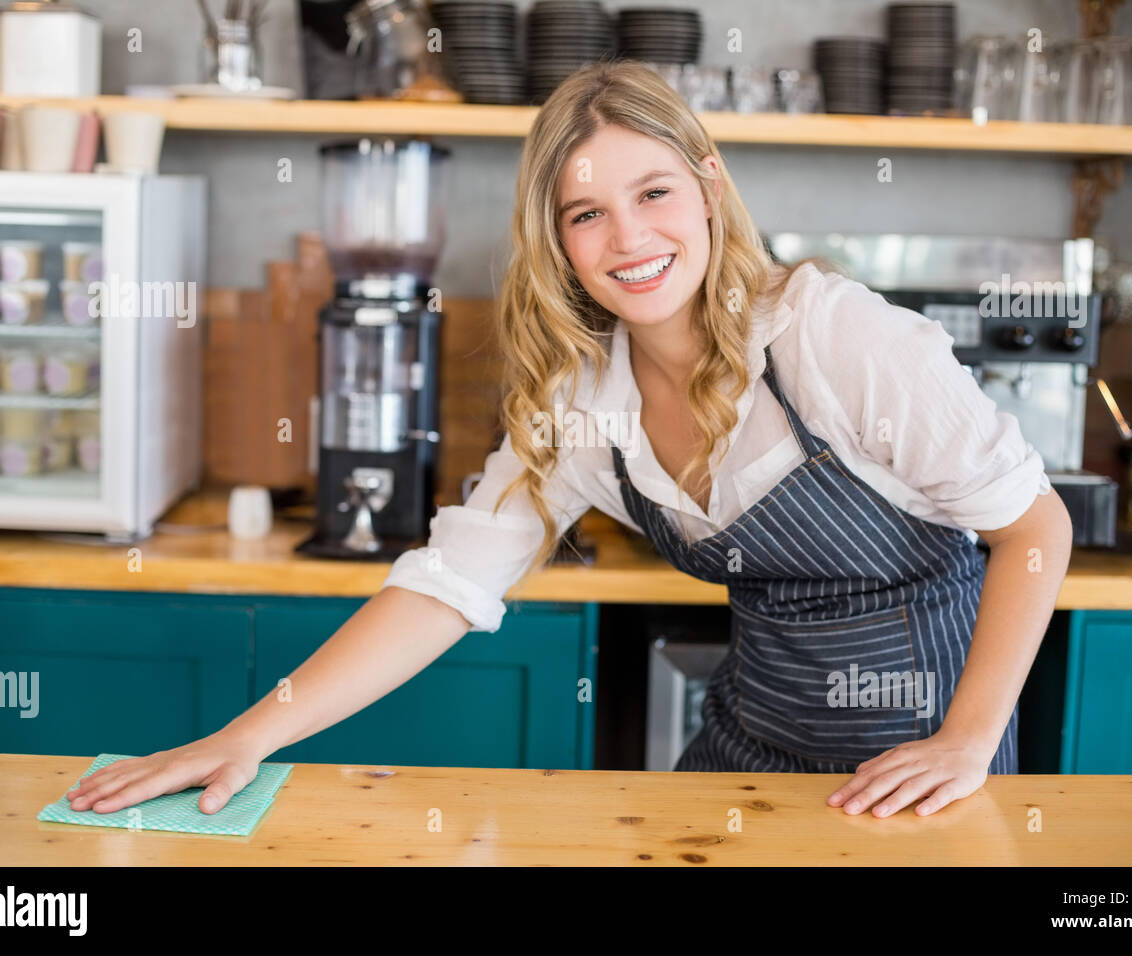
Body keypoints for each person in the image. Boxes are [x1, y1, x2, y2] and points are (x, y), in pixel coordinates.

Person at [65, 61, 1071, 821]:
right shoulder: (586, 396)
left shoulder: (829, 336)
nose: (628, 240)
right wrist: (245, 737)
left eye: (653, 193)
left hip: (921, 770)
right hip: (744, 755)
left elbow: (1035, 528)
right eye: (586, 213)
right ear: (557, 241)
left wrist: (968, 737)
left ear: (709, 188)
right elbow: (447, 584)